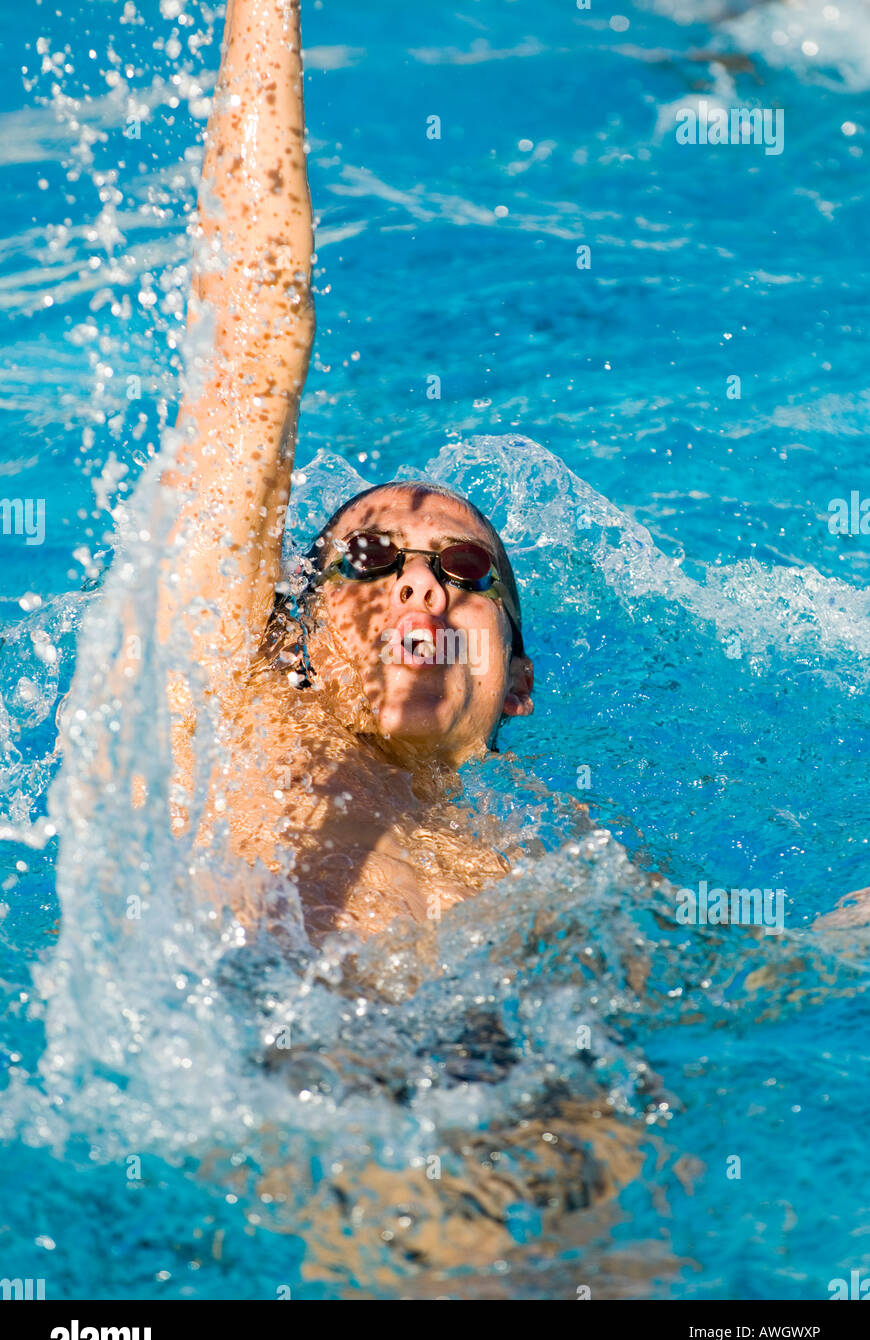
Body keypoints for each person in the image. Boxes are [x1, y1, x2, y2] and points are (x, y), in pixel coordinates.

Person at [158, 0, 535, 942]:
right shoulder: (236, 723)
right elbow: (251, 339)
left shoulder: (554, 858)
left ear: (517, 684)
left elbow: (743, 1003)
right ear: (292, 641)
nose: (420, 582)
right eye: (369, 557)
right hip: (279, 1071)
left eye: (465, 571)